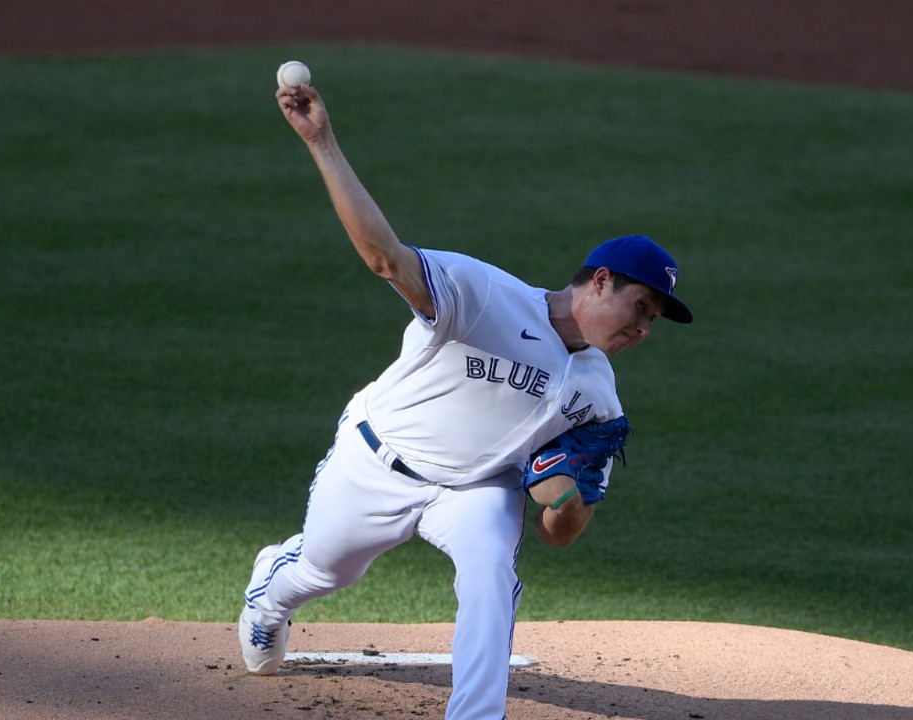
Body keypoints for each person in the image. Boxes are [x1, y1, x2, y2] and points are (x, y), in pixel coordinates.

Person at [240, 80, 692, 720]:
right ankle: (269, 593)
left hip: (475, 490)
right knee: (323, 571)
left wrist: (565, 499)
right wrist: (321, 140)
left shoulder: (599, 399)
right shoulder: (481, 293)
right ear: (598, 282)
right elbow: (383, 259)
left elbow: (561, 533)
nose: (643, 330)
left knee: (490, 576)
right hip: (378, 461)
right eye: (639, 307)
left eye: (653, 322)